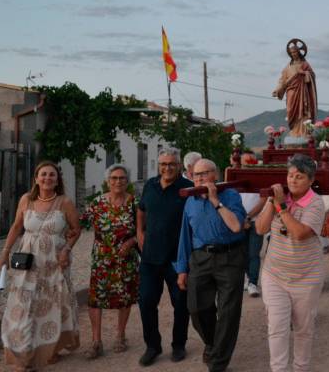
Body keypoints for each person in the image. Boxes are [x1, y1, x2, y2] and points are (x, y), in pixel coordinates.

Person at [0, 161, 81, 370]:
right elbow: (17, 226)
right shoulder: (26, 200)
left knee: (52, 305)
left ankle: (50, 348)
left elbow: (76, 230)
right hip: (28, 262)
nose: (47, 178)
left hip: (55, 263)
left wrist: (66, 249)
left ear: (57, 180)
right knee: (23, 305)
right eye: (43, 174)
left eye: (52, 175)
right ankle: (24, 351)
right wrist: (5, 252)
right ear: (36, 178)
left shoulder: (65, 203)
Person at [256, 154, 327, 372]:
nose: (292, 180)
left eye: (299, 176)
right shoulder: (278, 197)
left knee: (303, 330)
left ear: (310, 180)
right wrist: (272, 202)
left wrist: (282, 208)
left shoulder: (315, 203)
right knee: (276, 328)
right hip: (275, 274)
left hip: (307, 276)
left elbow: (299, 233)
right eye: (290, 175)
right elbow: (260, 228)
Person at [175, 159, 247, 372]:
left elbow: (236, 226)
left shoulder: (231, 195)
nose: (200, 178)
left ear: (215, 175)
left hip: (230, 257)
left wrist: (215, 200)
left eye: (205, 173)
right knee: (196, 307)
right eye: (196, 175)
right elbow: (185, 236)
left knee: (228, 312)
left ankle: (218, 363)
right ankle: (213, 344)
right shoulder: (190, 200)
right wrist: (181, 269)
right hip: (201, 258)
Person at [136, 148, 194, 366]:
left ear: (179, 166)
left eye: (171, 164)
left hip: (177, 259)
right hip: (150, 257)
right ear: (158, 165)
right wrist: (139, 232)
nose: (167, 168)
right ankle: (152, 346)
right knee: (146, 302)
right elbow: (141, 210)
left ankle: (179, 345)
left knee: (181, 303)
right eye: (163, 164)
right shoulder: (150, 186)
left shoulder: (188, 188)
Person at [80, 164, 139, 359]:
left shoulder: (134, 203)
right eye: (114, 178)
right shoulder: (97, 203)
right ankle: (96, 341)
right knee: (96, 299)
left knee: (124, 297)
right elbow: (78, 223)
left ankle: (120, 335)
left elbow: (143, 231)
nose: (118, 181)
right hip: (102, 259)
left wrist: (131, 241)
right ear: (107, 181)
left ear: (127, 181)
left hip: (126, 258)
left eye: (122, 178)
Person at [272, 39, 317, 137]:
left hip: (302, 91)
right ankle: (294, 130)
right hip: (291, 92)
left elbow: (312, 75)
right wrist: (277, 89)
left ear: (299, 52)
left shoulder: (304, 64)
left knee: (303, 110)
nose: (294, 54)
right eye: (292, 52)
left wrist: (304, 73)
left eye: (295, 52)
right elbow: (282, 80)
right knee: (290, 110)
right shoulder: (288, 67)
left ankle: (304, 131)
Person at [240, 152, 267, 297]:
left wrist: (248, 216)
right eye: (245, 160)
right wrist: (242, 218)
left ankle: (253, 282)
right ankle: (248, 278)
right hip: (241, 221)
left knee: (254, 253)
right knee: (243, 253)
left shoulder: (259, 178)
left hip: (256, 220)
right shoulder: (236, 177)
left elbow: (263, 200)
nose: (248, 162)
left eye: (250, 160)